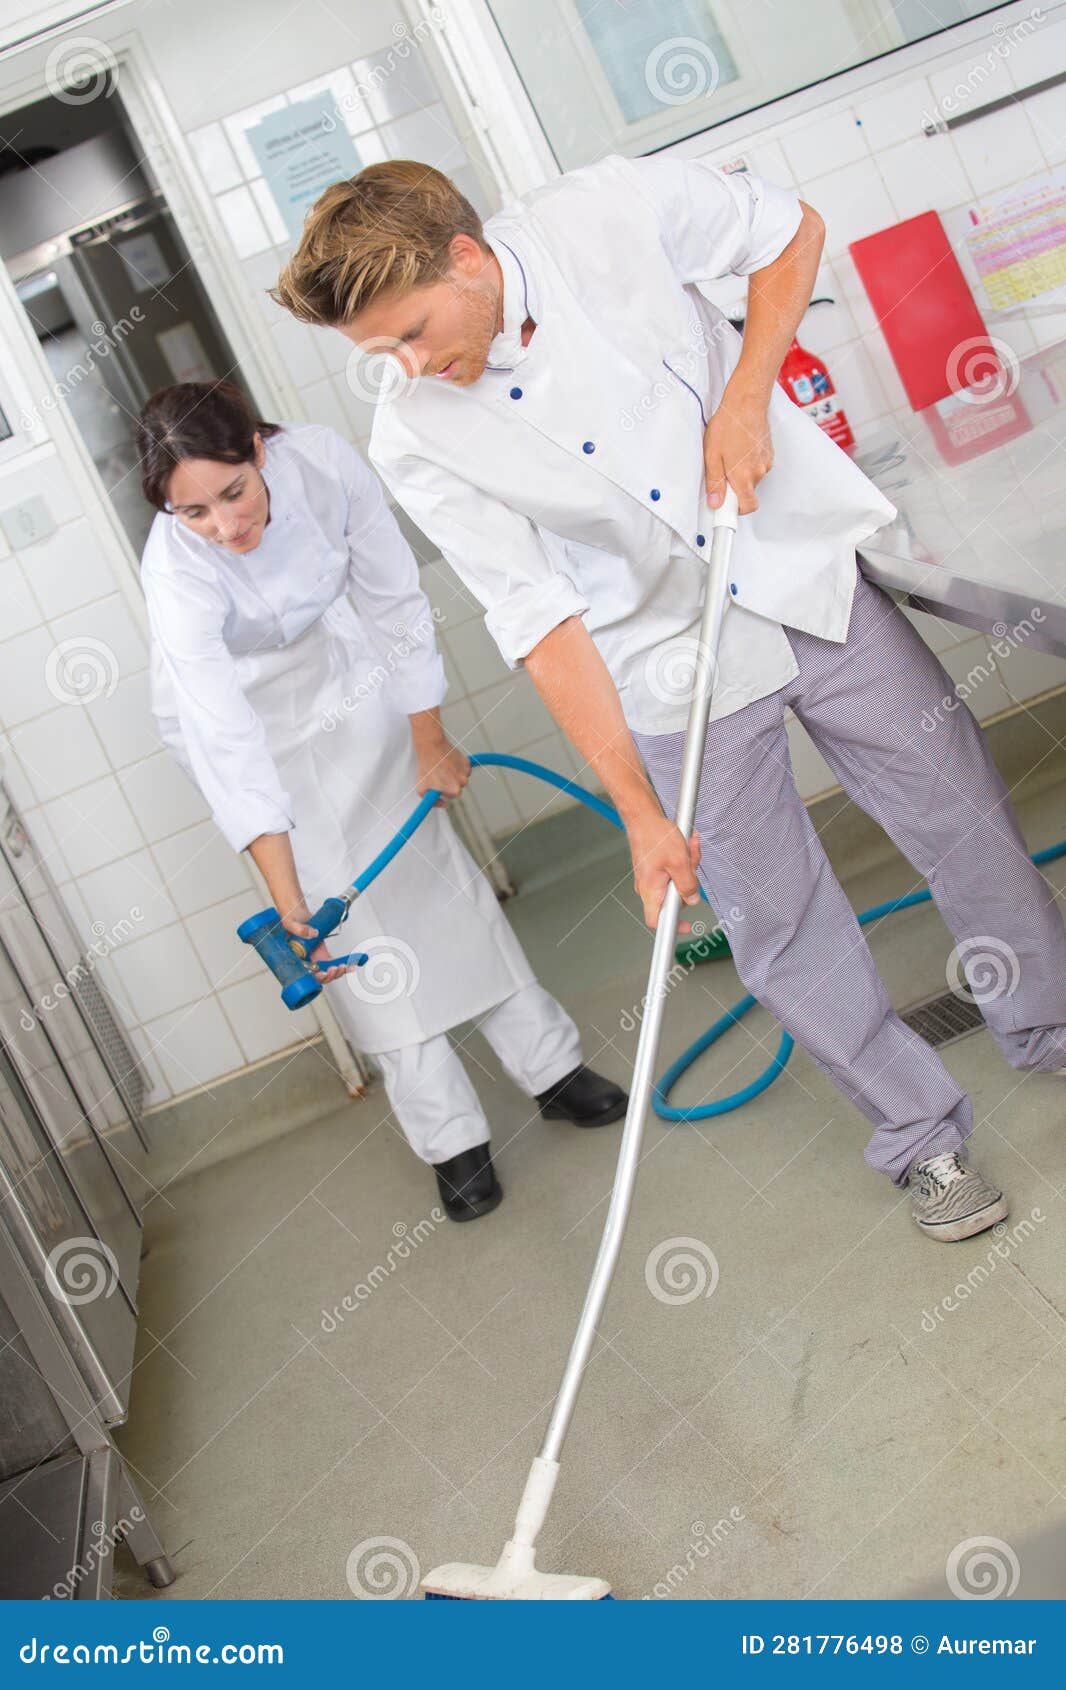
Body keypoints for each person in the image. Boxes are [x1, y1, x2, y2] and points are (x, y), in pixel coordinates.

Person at [270, 156, 1066, 1244]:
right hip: (660, 654)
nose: (409, 367)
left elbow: (791, 228)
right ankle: (919, 1139)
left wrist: (746, 396)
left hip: (794, 566)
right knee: (776, 921)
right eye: (380, 355)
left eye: (411, 332)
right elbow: (537, 621)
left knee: (958, 811)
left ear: (465, 256)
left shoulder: (601, 213)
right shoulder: (415, 434)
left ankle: (1049, 1021)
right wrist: (640, 813)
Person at [135, 381, 627, 1222]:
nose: (225, 527)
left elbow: (396, 603)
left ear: (259, 449)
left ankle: (553, 1071)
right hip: (256, 729)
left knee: (439, 881)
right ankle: (453, 1144)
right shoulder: (176, 577)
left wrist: (428, 738)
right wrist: (289, 905)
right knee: (356, 929)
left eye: (233, 493)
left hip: (345, 676)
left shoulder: (322, 463)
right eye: (195, 515)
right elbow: (226, 744)